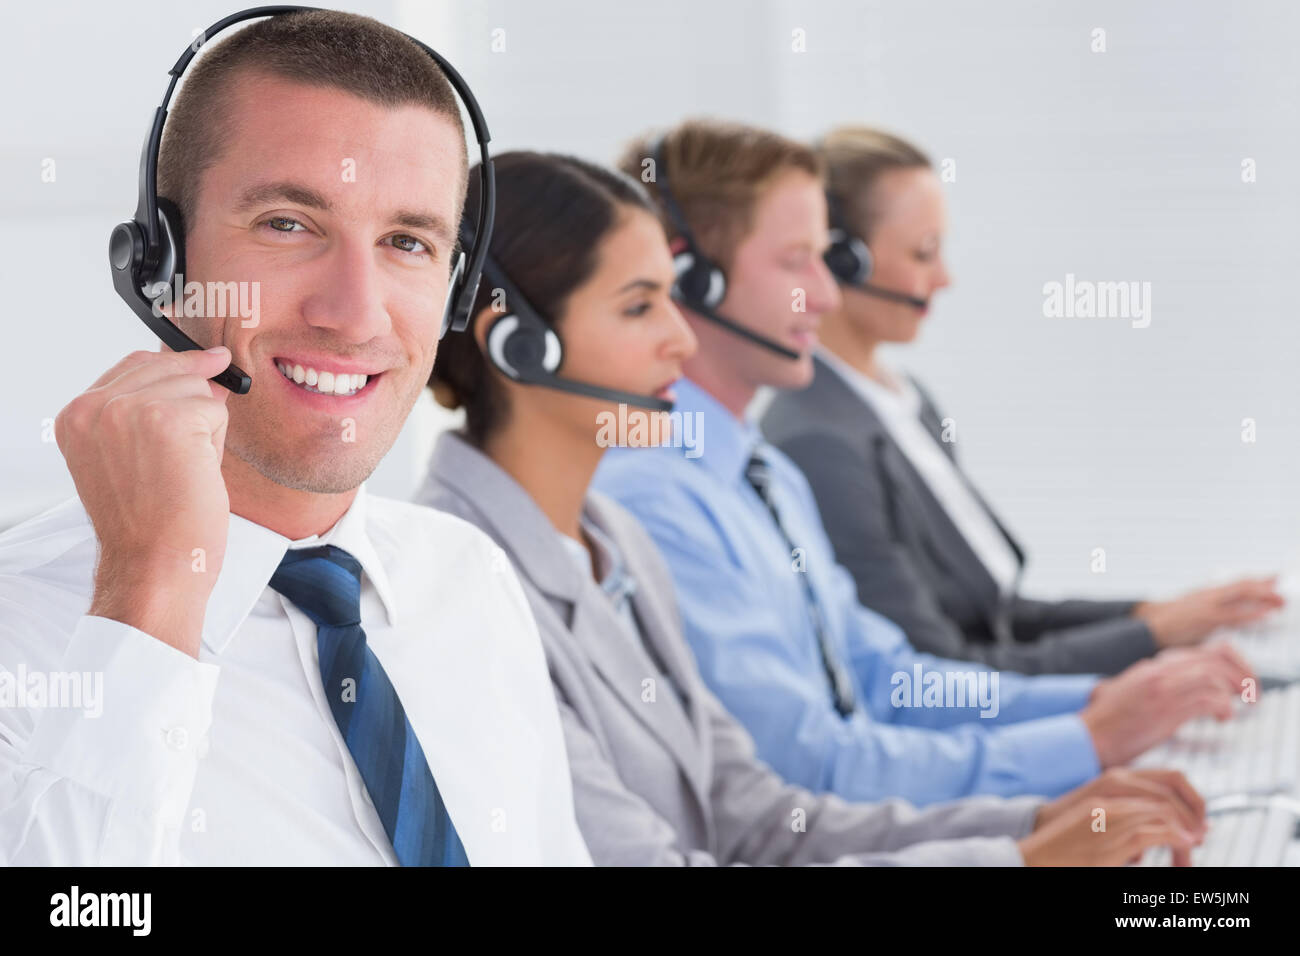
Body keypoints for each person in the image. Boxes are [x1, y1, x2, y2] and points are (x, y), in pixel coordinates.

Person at [416, 149, 1208, 865]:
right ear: (517, 341)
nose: (681, 341)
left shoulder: (613, 542)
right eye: (638, 307)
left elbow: (757, 817)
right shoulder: (456, 591)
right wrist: (1013, 861)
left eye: (669, 298)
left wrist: (1027, 823)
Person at [0, 10, 589, 866]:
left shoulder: (470, 579)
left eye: (406, 242)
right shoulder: (23, 630)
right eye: (287, 223)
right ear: (158, 262)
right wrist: (151, 588)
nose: (353, 313)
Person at [592, 118, 1253, 808]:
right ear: (688, 279)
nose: (823, 294)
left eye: (826, 259)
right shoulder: (653, 498)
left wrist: (1101, 698)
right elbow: (808, 768)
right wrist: (1084, 741)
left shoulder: (765, 476)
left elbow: (888, 679)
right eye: (795, 263)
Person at [760, 125, 1283, 675]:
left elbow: (997, 615)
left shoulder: (902, 400)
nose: (944, 278)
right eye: (924, 252)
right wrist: (1149, 641)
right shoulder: (818, 442)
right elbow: (942, 670)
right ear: (843, 261)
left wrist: (1158, 617)